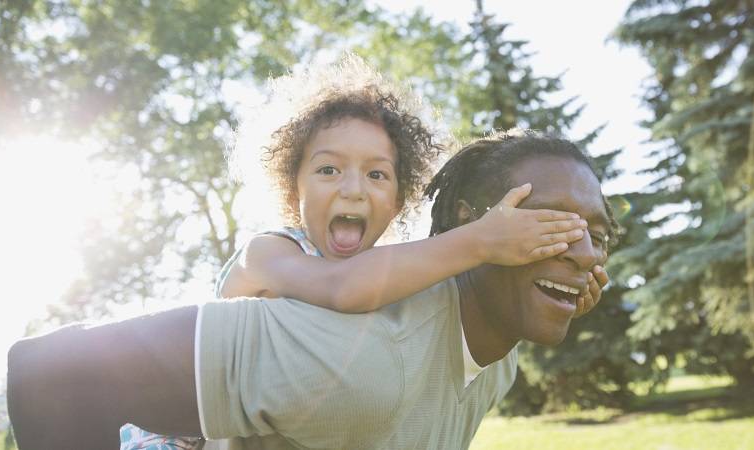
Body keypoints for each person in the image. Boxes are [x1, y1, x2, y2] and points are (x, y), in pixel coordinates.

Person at [7, 129, 619, 450]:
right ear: (472, 226)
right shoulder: (353, 352)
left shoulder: (497, 354)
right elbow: (49, 372)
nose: (585, 252)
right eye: (550, 225)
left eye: (596, 234)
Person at [119, 56, 592, 449]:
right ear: (293, 185)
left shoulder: (387, 273)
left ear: (399, 196)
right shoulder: (268, 254)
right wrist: (481, 240)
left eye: (377, 174)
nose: (352, 190)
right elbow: (342, 289)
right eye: (328, 170)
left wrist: (560, 286)